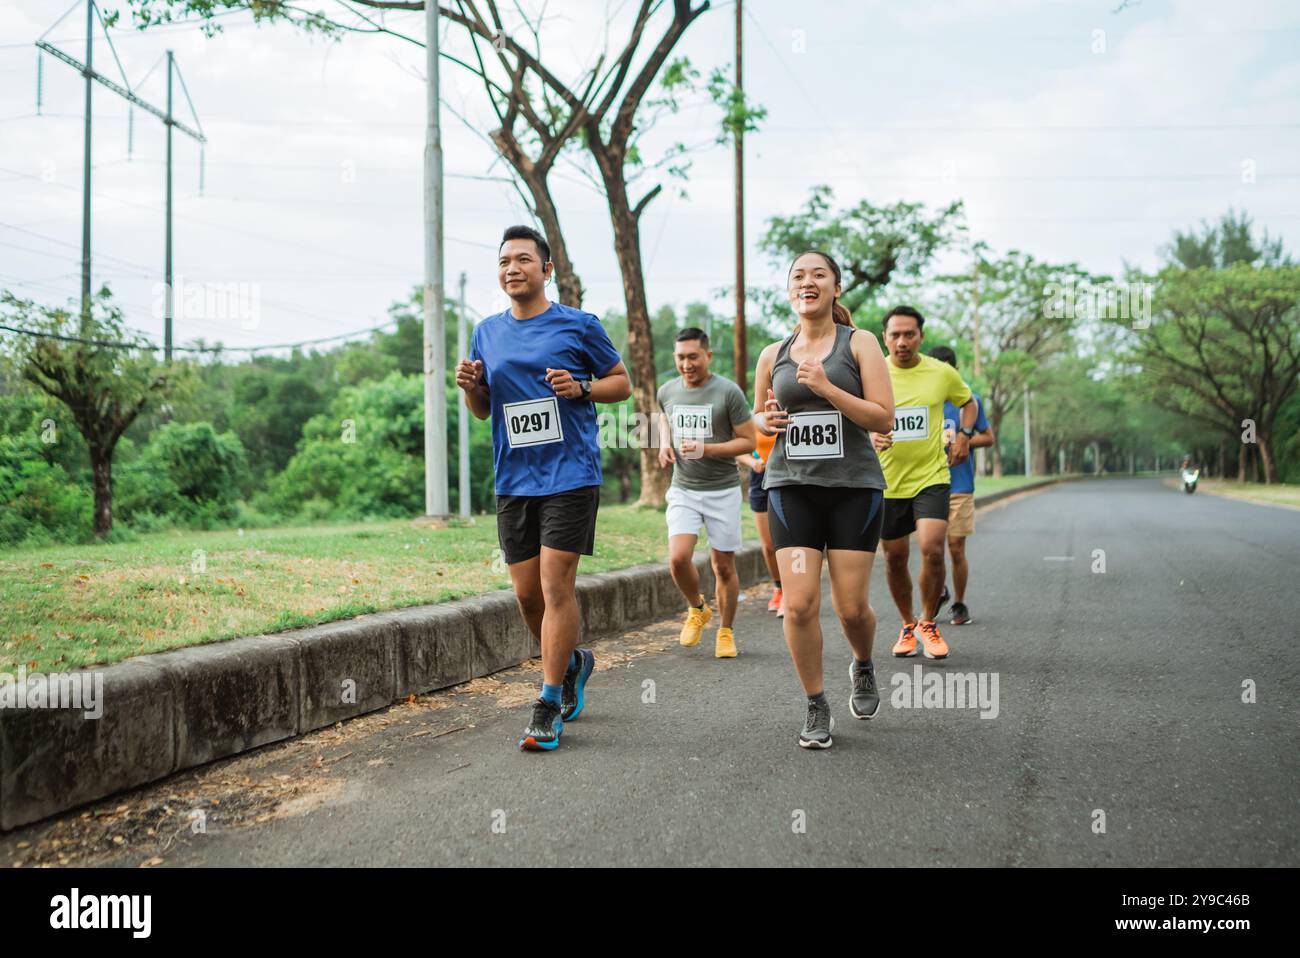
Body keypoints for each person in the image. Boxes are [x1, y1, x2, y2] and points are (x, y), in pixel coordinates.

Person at [457, 225, 632, 752]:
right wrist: (471, 389)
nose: (513, 268)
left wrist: (581, 387)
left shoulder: (578, 325)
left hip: (570, 474)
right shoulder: (486, 331)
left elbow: (621, 383)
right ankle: (574, 661)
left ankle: (547, 700)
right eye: (505, 261)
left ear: (546, 269)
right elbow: (485, 408)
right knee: (527, 595)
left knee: (557, 585)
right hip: (515, 478)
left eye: (524, 260)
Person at [753, 251, 894, 749]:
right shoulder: (773, 355)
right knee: (799, 604)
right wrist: (765, 425)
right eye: (798, 276)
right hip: (791, 487)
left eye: (818, 275)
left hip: (854, 487)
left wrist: (828, 388)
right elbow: (758, 422)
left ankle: (863, 664)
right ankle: (815, 703)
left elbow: (882, 418)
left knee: (852, 608)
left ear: (836, 287)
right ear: (789, 290)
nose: (807, 282)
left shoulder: (860, 343)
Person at [872, 306, 977, 660]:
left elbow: (968, 402)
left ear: (921, 337)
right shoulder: (871, 373)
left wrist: (963, 435)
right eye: (895, 335)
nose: (902, 342)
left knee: (933, 548)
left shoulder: (941, 372)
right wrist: (869, 433)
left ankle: (928, 621)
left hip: (932, 477)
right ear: (884, 338)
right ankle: (907, 623)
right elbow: (851, 414)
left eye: (909, 334)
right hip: (886, 481)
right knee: (895, 557)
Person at [656, 328, 757, 658]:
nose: (687, 364)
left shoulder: (728, 392)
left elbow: (749, 442)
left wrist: (708, 449)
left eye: (693, 357)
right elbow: (662, 418)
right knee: (678, 557)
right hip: (683, 488)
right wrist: (662, 445)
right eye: (681, 358)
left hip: (722, 491)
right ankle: (697, 607)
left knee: (723, 567)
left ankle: (726, 631)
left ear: (708, 356)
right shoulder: (667, 390)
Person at [928, 345, 994, 626]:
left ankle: (959, 602)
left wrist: (963, 440)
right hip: (927, 483)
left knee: (955, 547)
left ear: (954, 371)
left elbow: (988, 437)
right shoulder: (924, 400)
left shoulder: (969, 400)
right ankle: (937, 592)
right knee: (931, 549)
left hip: (959, 484)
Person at [735, 428, 783, 616]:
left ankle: (791, 591)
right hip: (761, 477)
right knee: (769, 545)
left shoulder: (794, 406)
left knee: (791, 540)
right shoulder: (752, 418)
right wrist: (753, 462)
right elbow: (739, 448)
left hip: (791, 475)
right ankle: (779, 588)